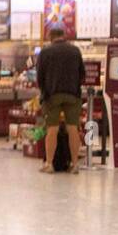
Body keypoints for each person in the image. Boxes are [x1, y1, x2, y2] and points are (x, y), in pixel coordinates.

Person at [36, 23, 85, 175]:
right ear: (63, 36)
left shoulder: (45, 52)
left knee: (52, 129)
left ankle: (49, 164)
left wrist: (44, 92)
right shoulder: (75, 51)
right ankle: (75, 164)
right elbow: (82, 74)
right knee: (73, 129)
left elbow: (40, 77)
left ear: (51, 37)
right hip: (72, 95)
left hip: (52, 96)